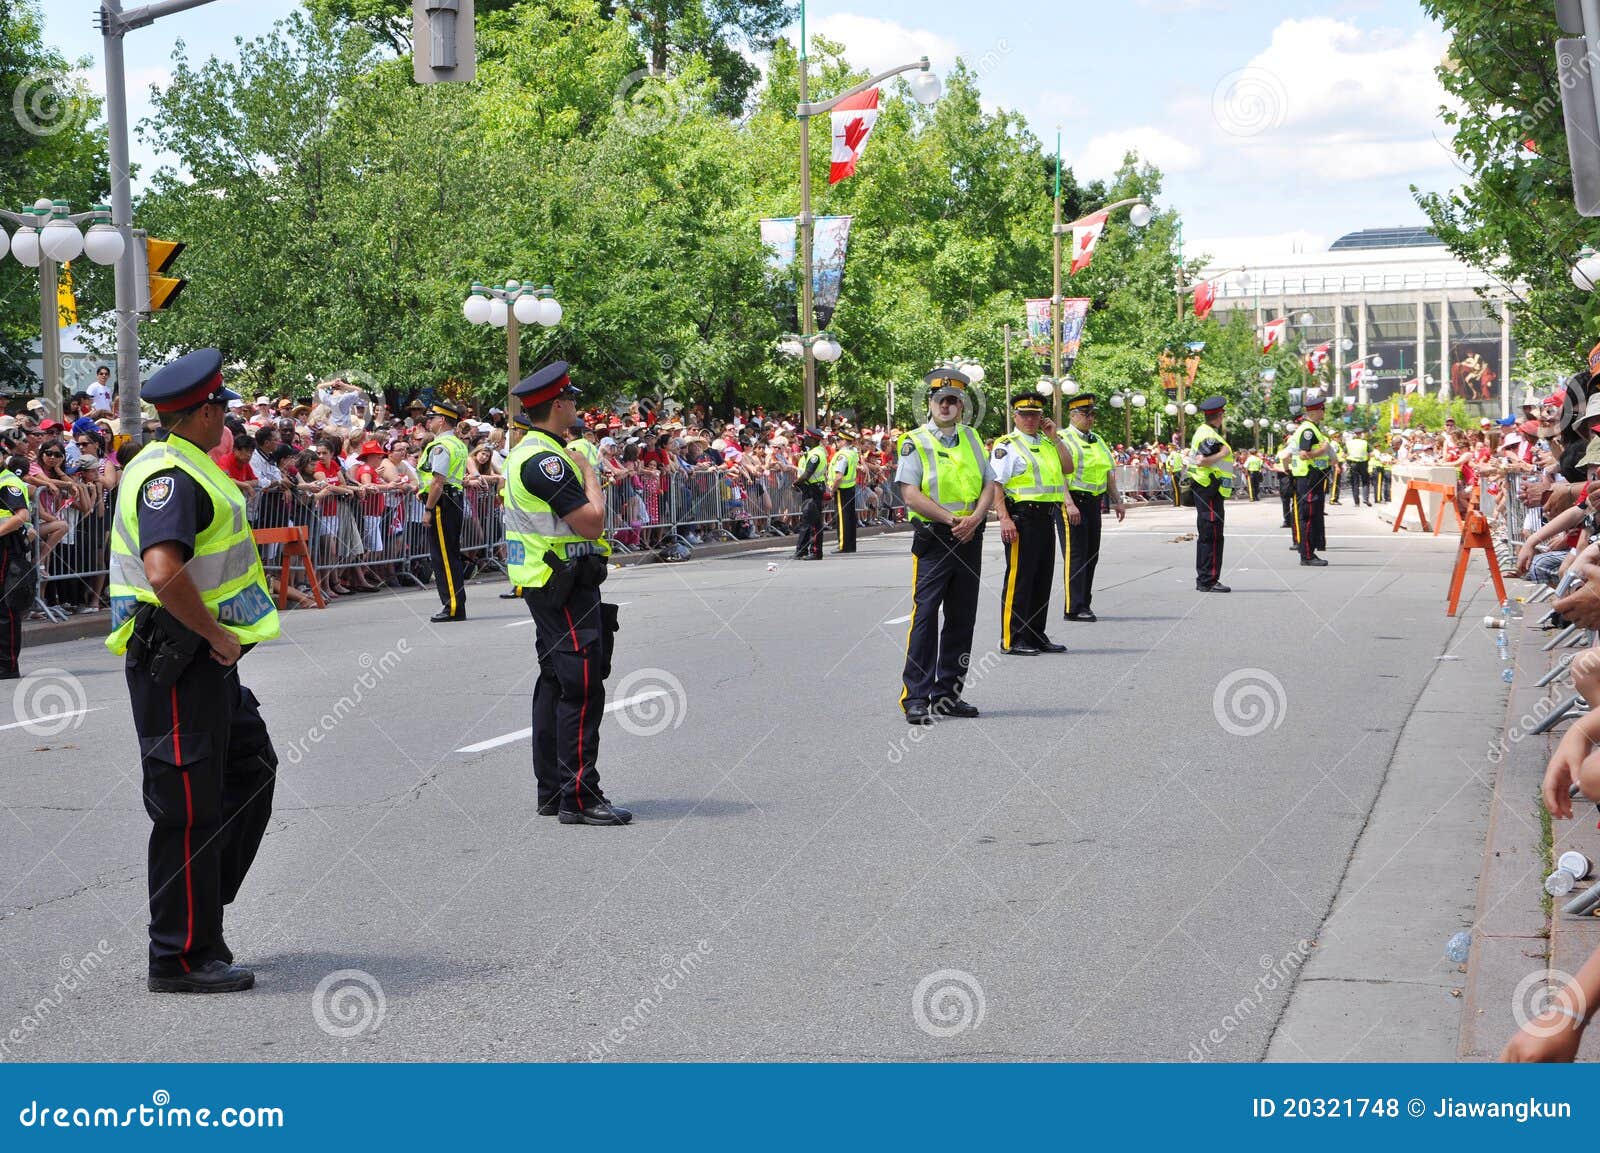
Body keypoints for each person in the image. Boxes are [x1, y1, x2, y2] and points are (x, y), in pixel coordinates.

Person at [104, 349, 280, 993]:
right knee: (186, 809)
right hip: (180, 658)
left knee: (250, 770)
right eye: (223, 407)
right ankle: (179, 955)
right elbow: (162, 570)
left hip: (205, 661)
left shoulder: (188, 464)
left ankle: (202, 912)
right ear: (203, 411)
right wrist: (216, 636)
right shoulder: (169, 476)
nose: (227, 416)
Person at [503, 362, 630, 825]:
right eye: (571, 398)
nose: (576, 404)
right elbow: (592, 521)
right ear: (557, 405)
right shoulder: (549, 460)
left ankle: (554, 790)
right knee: (580, 687)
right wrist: (590, 474)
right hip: (563, 584)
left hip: (549, 582)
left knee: (555, 683)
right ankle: (580, 796)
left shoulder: (529, 452)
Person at [896, 368, 995, 724]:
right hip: (937, 538)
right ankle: (916, 697)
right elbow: (910, 493)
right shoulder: (915, 440)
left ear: (962, 407)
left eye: (953, 400)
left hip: (970, 536)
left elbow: (988, 484)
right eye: (941, 400)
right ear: (932, 404)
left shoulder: (971, 437)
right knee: (925, 617)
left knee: (961, 619)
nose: (947, 406)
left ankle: (948, 695)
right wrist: (952, 520)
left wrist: (976, 518)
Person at [990, 390, 1073, 653]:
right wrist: (1004, 518)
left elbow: (1068, 467)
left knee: (1041, 578)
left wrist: (1055, 437)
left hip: (1046, 517)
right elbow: (996, 484)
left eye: (1035, 415)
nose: (1029, 419)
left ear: (1042, 417)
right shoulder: (1008, 445)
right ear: (1015, 416)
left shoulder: (1048, 443)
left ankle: (1036, 633)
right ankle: (1012, 638)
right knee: (1020, 579)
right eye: (1024, 414)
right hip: (1022, 518)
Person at [1059, 393, 1127, 620]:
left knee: (1091, 554)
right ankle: (1074, 607)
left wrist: (1117, 500)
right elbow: (1057, 475)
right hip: (1072, 502)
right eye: (1085, 414)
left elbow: (1108, 471)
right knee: (1075, 555)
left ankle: (1084, 602)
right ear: (1072, 415)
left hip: (1093, 502)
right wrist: (1068, 503)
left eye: (1092, 414)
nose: (1090, 419)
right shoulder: (1062, 438)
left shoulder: (1096, 439)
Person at [419, 399, 469, 621]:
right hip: (454, 499)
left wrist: (428, 508)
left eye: (432, 418)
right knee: (450, 554)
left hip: (443, 503)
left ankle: (453, 606)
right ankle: (455, 604)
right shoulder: (457, 443)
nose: (428, 421)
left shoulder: (441, 446)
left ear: (442, 420)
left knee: (444, 558)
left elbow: (438, 481)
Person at [1189, 396, 1233, 592]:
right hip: (1209, 488)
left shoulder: (1207, 432)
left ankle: (1208, 578)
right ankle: (1208, 580)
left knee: (1212, 534)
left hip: (1210, 489)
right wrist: (1222, 454)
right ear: (1220, 414)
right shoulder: (1208, 435)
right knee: (1211, 534)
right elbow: (1201, 461)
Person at [0, 454, 34, 678]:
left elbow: (21, 515)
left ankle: (7, 665)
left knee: (5, 607)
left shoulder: (7, 482)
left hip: (5, 546)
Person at [1291, 392, 1333, 567]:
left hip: (1312, 477)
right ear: (1314, 411)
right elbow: (1304, 454)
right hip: (1308, 477)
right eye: (1322, 409)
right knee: (1307, 515)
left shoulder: (1312, 428)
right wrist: (1322, 451)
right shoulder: (1308, 430)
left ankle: (1310, 551)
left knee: (1312, 514)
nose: (1324, 412)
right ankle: (1307, 555)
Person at [793, 428, 827, 560]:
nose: (804, 439)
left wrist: (796, 483)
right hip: (810, 489)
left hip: (813, 489)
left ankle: (815, 551)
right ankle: (802, 550)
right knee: (808, 520)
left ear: (813, 439)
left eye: (807, 437)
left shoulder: (815, 455)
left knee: (812, 522)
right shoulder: (813, 452)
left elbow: (808, 474)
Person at [827, 426, 860, 553]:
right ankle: (850, 545)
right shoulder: (852, 453)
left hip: (842, 489)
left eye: (839, 440)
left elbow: (839, 476)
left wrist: (832, 489)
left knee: (842, 518)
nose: (837, 442)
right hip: (850, 488)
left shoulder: (842, 455)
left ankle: (843, 545)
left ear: (844, 441)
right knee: (850, 517)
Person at [1345, 429, 1371, 506]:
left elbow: (1344, 454)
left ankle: (1356, 503)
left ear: (1354, 434)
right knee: (1365, 482)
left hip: (1353, 464)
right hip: (1363, 464)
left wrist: (1347, 461)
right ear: (1361, 434)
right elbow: (1371, 453)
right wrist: (1367, 459)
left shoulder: (1348, 443)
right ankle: (1365, 499)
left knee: (1355, 483)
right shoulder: (1365, 442)